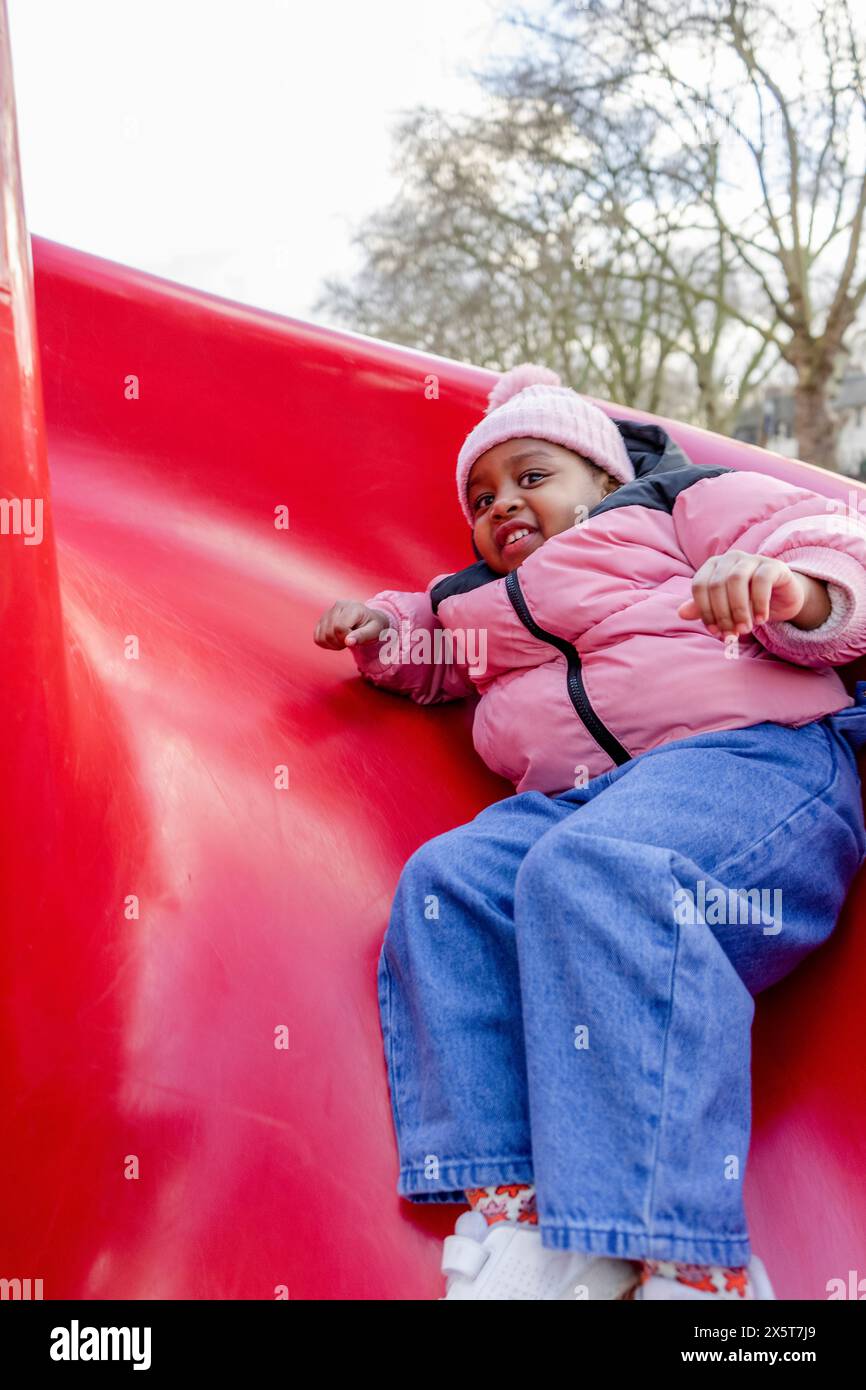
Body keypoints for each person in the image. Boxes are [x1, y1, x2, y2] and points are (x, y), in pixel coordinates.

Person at [314, 363, 866, 1300]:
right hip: (589, 801)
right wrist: (380, 632)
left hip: (754, 762)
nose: (503, 504)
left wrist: (790, 588)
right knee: (452, 883)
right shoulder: (475, 602)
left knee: (596, 869)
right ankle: (525, 1217)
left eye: (533, 476)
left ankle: (689, 1263)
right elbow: (436, 655)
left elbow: (822, 542)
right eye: (482, 498)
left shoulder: (680, 506)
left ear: (605, 477)